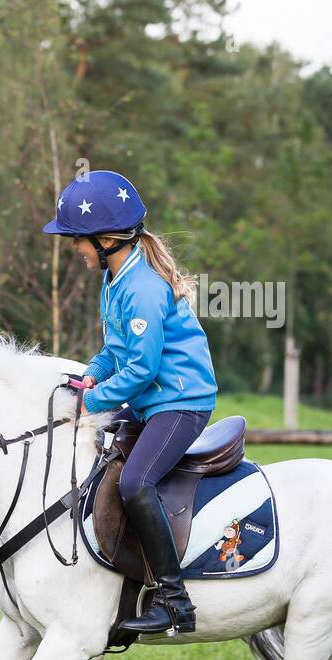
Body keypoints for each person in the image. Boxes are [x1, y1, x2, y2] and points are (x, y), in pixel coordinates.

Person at [43, 169, 218, 634]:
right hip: (148, 399)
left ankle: (175, 601)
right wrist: (87, 378)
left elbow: (141, 369)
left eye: (76, 241)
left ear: (105, 239)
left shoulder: (141, 288)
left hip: (181, 403)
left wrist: (96, 399)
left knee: (136, 482)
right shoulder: (115, 278)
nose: (74, 250)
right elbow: (117, 352)